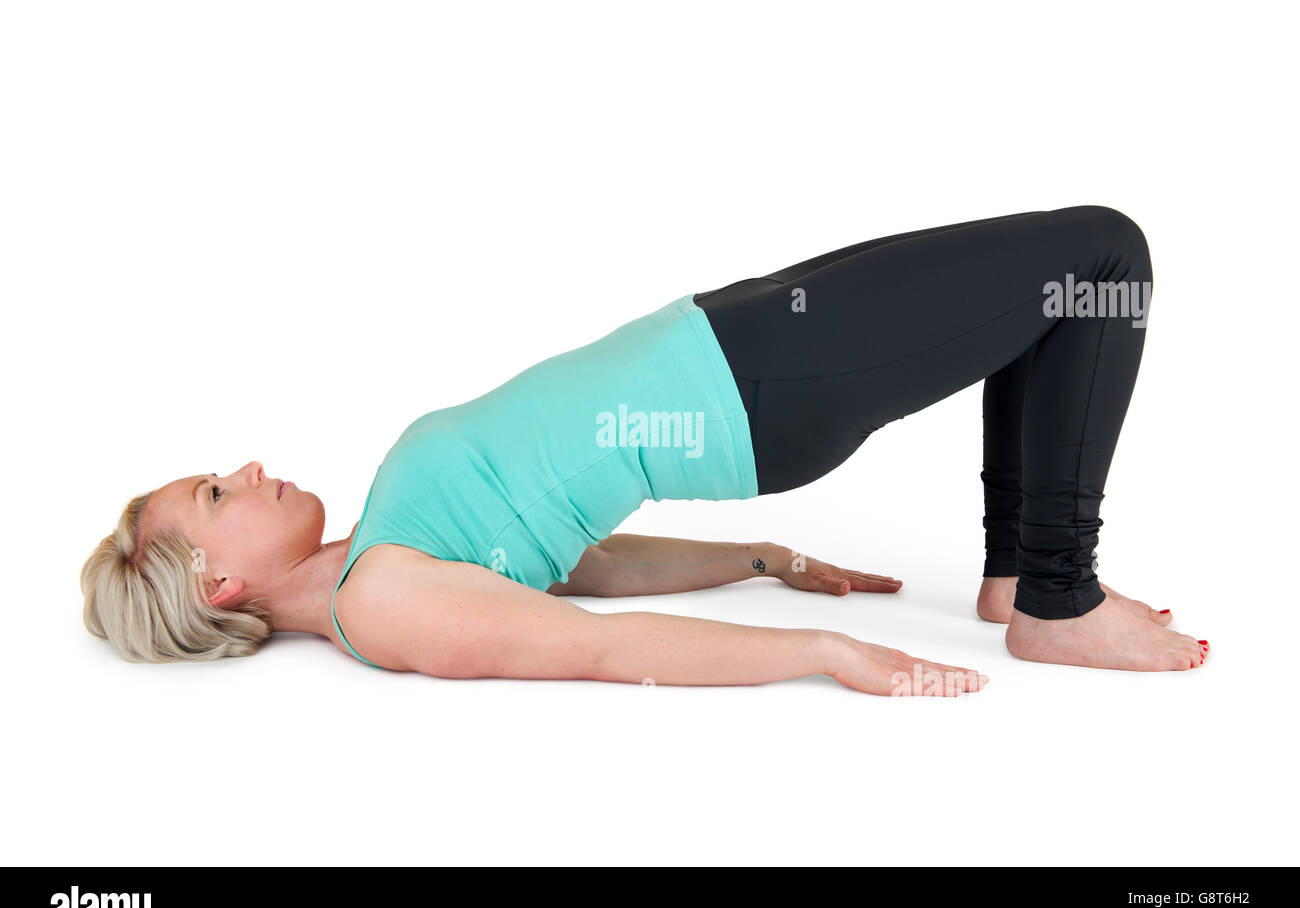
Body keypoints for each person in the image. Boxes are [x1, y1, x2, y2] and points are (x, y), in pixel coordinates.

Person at [80, 206, 1207, 695]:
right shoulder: (380, 604)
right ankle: (1056, 595)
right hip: (754, 387)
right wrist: (824, 648)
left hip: (729, 338)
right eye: (217, 491)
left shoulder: (385, 550)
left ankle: (1021, 572)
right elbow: (597, 647)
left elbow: (589, 565)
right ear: (217, 580)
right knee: (1101, 259)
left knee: (1040, 293)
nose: (250, 467)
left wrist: (766, 558)